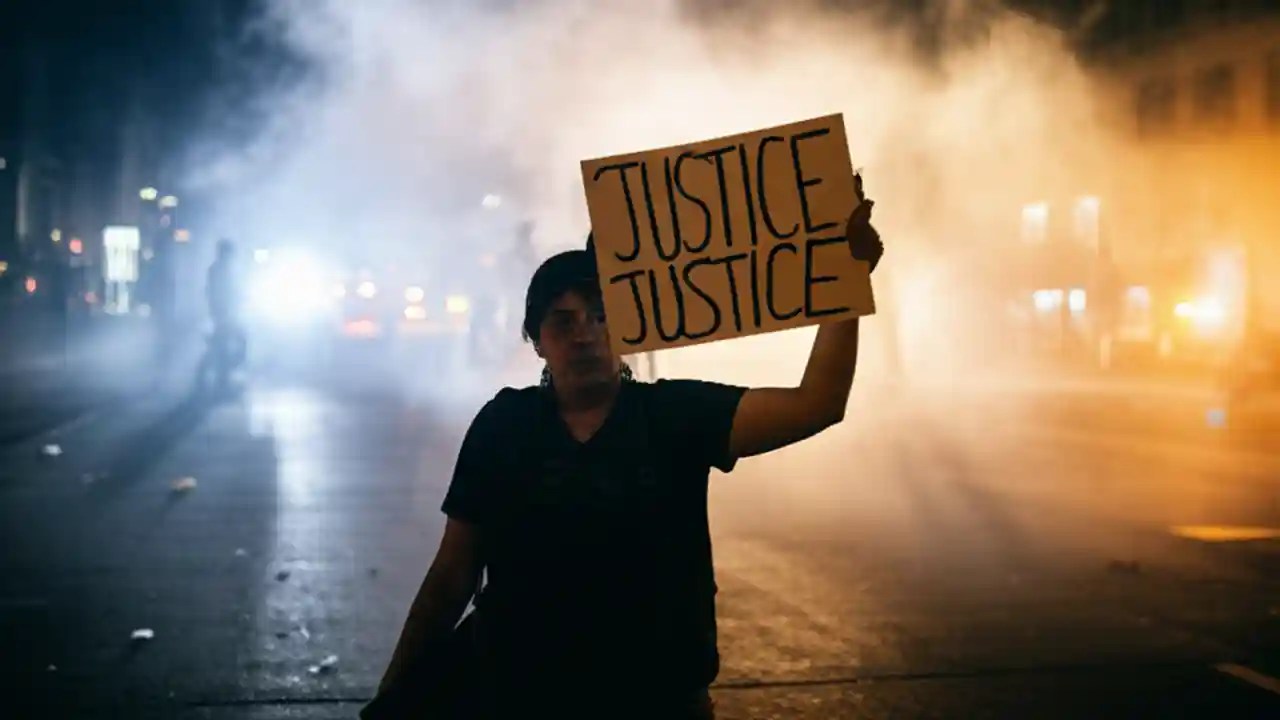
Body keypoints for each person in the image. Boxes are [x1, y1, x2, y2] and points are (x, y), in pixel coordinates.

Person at [369, 189, 883, 719]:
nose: (586, 335)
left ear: (630, 326)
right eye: (563, 321)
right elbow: (453, 576)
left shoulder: (676, 415)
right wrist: (392, 698)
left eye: (599, 316)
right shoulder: (503, 427)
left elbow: (817, 403)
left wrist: (849, 275)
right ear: (535, 339)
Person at [203, 239, 246, 387]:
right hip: (222, 314)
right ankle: (223, 376)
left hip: (226, 313)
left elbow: (236, 291)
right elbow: (213, 292)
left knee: (231, 342)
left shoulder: (224, 270)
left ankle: (225, 373)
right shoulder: (218, 270)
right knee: (223, 344)